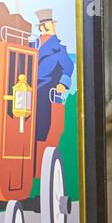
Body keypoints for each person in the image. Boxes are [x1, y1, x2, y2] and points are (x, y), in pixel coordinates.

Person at [31, 9, 73, 143]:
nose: (54, 26)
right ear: (43, 27)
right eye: (51, 24)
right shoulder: (32, 45)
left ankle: (40, 140)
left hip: (47, 88)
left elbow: (68, 66)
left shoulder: (59, 48)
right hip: (29, 87)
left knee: (43, 114)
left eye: (53, 24)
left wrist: (63, 83)